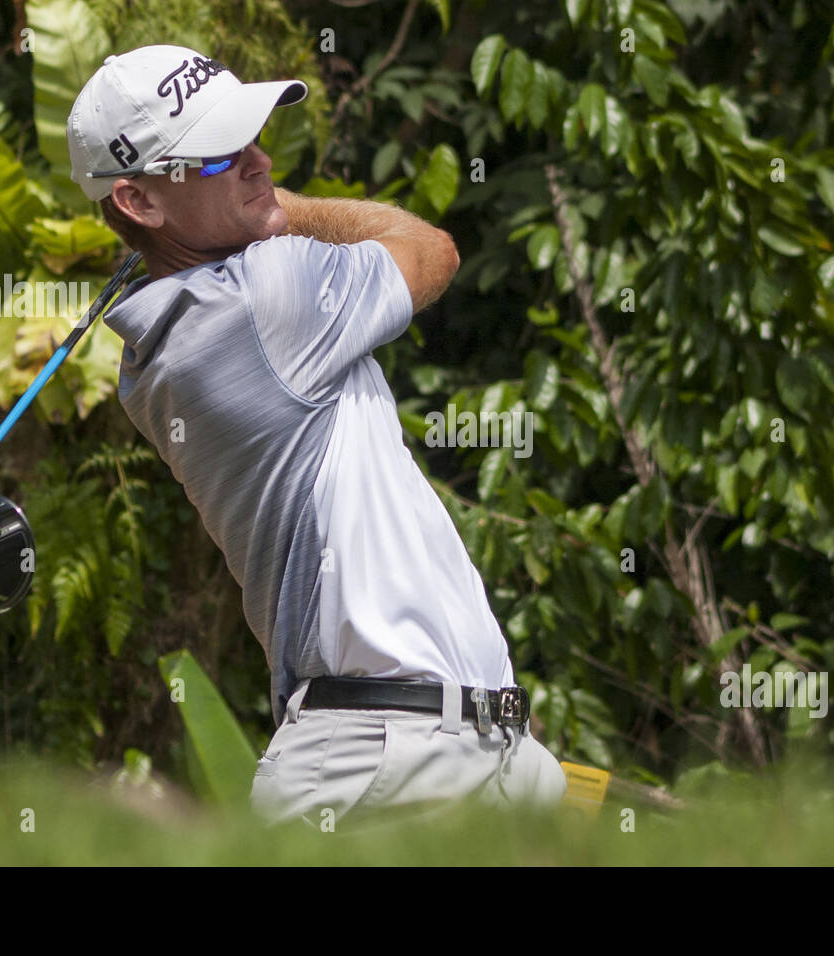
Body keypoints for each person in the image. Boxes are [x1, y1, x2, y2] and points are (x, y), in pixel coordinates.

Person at [66, 45, 567, 826]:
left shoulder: (183, 326)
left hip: (454, 749)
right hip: (388, 763)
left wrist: (242, 201)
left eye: (255, 139)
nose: (260, 160)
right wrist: (286, 207)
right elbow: (433, 250)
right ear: (138, 201)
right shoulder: (267, 295)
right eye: (222, 155)